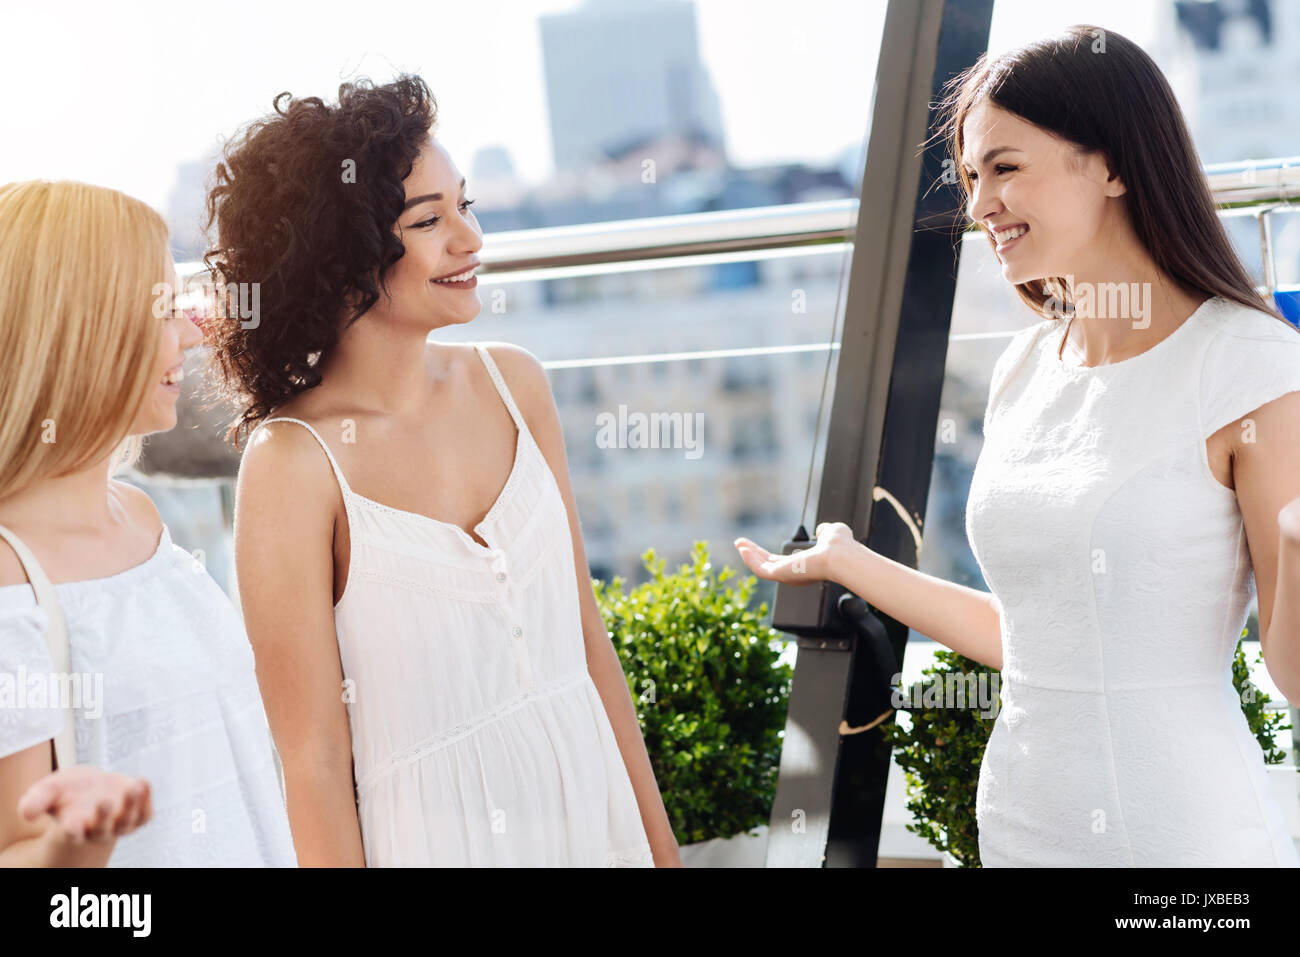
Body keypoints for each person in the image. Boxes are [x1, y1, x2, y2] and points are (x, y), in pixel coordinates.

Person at [736, 25, 1300, 867]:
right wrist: (851, 562)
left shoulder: (1249, 366)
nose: (978, 205)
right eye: (970, 176)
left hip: (1183, 843)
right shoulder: (1027, 367)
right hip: (1024, 826)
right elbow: (1040, 636)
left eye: (1004, 167)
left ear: (1110, 164)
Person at [203, 75, 675, 866]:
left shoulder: (513, 382)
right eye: (428, 220)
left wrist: (660, 851)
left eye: (467, 205)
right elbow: (313, 764)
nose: (470, 239)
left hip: (597, 819)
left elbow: (589, 645)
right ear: (344, 256)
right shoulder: (292, 464)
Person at [0, 179, 297, 867]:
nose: (194, 332)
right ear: (80, 329)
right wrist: (81, 839)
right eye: (165, 308)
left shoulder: (140, 516)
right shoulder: (10, 577)